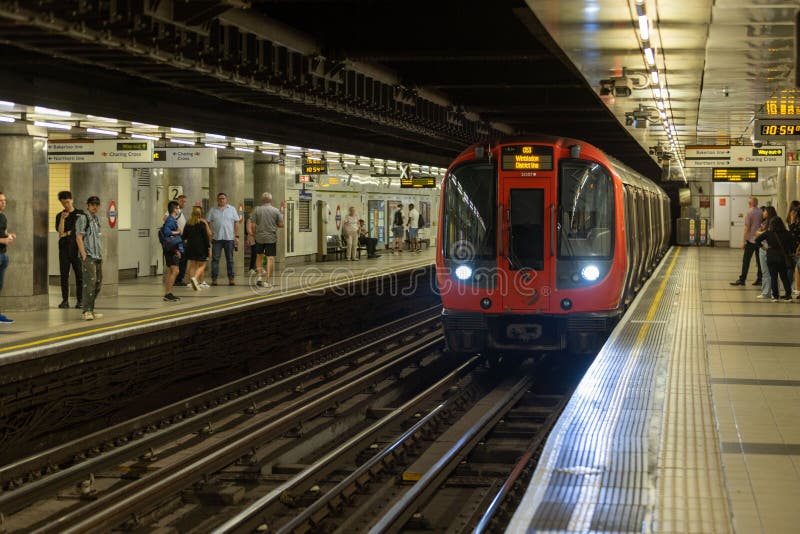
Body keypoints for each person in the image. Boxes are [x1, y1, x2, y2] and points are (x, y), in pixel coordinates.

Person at [75, 196, 103, 321]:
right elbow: (79, 237)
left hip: (97, 255)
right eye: (92, 204)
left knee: (98, 283)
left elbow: (97, 237)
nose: (94, 206)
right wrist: (84, 254)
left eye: (97, 204)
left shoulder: (96, 219)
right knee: (89, 283)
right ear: (87, 205)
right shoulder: (83, 218)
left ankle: (91, 309)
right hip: (89, 255)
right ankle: (86, 311)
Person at [248, 192, 285, 287]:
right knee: (270, 258)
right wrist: (274, 223)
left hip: (259, 237)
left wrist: (255, 234)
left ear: (262, 200)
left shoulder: (256, 210)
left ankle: (259, 277)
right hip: (271, 238)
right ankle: (267, 281)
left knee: (259, 256)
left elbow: (253, 225)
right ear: (271, 200)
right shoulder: (275, 211)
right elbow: (281, 224)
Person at [55, 191, 84, 309]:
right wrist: (62, 219)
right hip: (64, 250)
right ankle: (65, 300)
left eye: (67, 202)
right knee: (64, 276)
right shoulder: (59, 215)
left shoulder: (80, 214)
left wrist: (67, 233)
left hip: (76, 249)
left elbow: (80, 230)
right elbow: (60, 232)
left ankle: (80, 300)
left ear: (72, 200)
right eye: (63, 203)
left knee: (79, 275)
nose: (66, 205)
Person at [755, 216, 795, 301]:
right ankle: (788, 296)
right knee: (784, 277)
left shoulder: (768, 233)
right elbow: (792, 246)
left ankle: (775, 296)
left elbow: (757, 240)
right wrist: (790, 252)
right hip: (782, 257)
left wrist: (764, 248)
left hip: (771, 256)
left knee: (773, 277)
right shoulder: (787, 233)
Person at [207, 192, 240, 286]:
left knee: (230, 260)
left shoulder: (232, 209)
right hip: (216, 239)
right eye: (220, 198)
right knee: (215, 260)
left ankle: (231, 279)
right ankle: (214, 279)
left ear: (226, 200)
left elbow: (236, 222)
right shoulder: (212, 210)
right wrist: (209, 234)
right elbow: (207, 222)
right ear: (217, 200)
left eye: (223, 198)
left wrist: (236, 236)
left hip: (229, 238)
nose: (222, 200)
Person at [731, 196, 763, 286]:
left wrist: (744, 241)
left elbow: (747, 228)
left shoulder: (749, 212)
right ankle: (760, 279)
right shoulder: (761, 212)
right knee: (759, 261)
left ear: (750, 203)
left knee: (746, 260)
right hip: (759, 240)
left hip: (751, 240)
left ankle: (742, 279)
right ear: (757, 203)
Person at [183, 206, 212, 290]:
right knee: (203, 265)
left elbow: (184, 236)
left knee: (192, 264)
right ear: (200, 214)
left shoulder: (188, 223)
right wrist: (208, 248)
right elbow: (205, 238)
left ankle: (191, 283)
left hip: (190, 247)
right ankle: (195, 279)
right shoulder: (202, 224)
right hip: (200, 247)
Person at [162, 194, 188, 286]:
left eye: (185, 201)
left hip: (179, 240)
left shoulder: (179, 212)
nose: (184, 203)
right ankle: (176, 281)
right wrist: (177, 231)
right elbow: (166, 228)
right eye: (182, 201)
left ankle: (176, 281)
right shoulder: (171, 215)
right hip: (175, 241)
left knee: (180, 261)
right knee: (176, 264)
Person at [161, 200, 184, 301]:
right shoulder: (170, 220)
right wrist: (177, 232)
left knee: (171, 271)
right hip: (172, 249)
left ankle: (168, 293)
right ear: (174, 209)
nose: (179, 210)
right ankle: (168, 293)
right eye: (178, 208)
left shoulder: (172, 219)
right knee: (175, 270)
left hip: (171, 249)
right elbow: (167, 232)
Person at [0, 192, 15, 324]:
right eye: (1, 201)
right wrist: (3, 240)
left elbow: (3, 232)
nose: (3, 203)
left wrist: (9, 235)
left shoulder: (3, 217)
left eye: (4, 200)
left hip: (3, 255)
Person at [755, 206, 777, 299]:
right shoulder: (764, 222)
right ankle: (766, 292)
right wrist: (762, 233)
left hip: (769, 247)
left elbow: (766, 233)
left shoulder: (773, 222)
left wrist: (761, 233)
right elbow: (758, 232)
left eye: (764, 211)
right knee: (765, 271)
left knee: (771, 271)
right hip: (763, 246)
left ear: (768, 212)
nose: (763, 213)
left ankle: (772, 292)